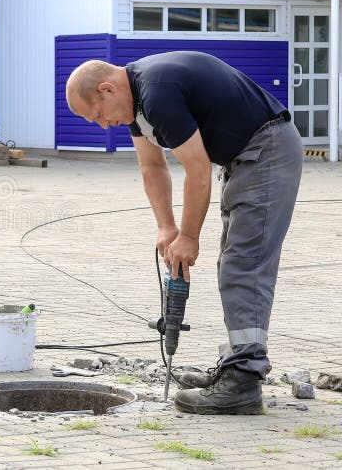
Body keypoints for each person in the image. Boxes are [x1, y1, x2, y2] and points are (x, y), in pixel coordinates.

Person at [65, 51, 303, 415]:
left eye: (97, 115)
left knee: (245, 264)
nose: (102, 125)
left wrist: (189, 237)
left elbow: (197, 170)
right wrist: (167, 227)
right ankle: (236, 365)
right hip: (246, 156)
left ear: (107, 89)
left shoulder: (157, 91)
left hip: (267, 149)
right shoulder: (137, 103)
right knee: (234, 264)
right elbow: (151, 166)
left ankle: (243, 382)